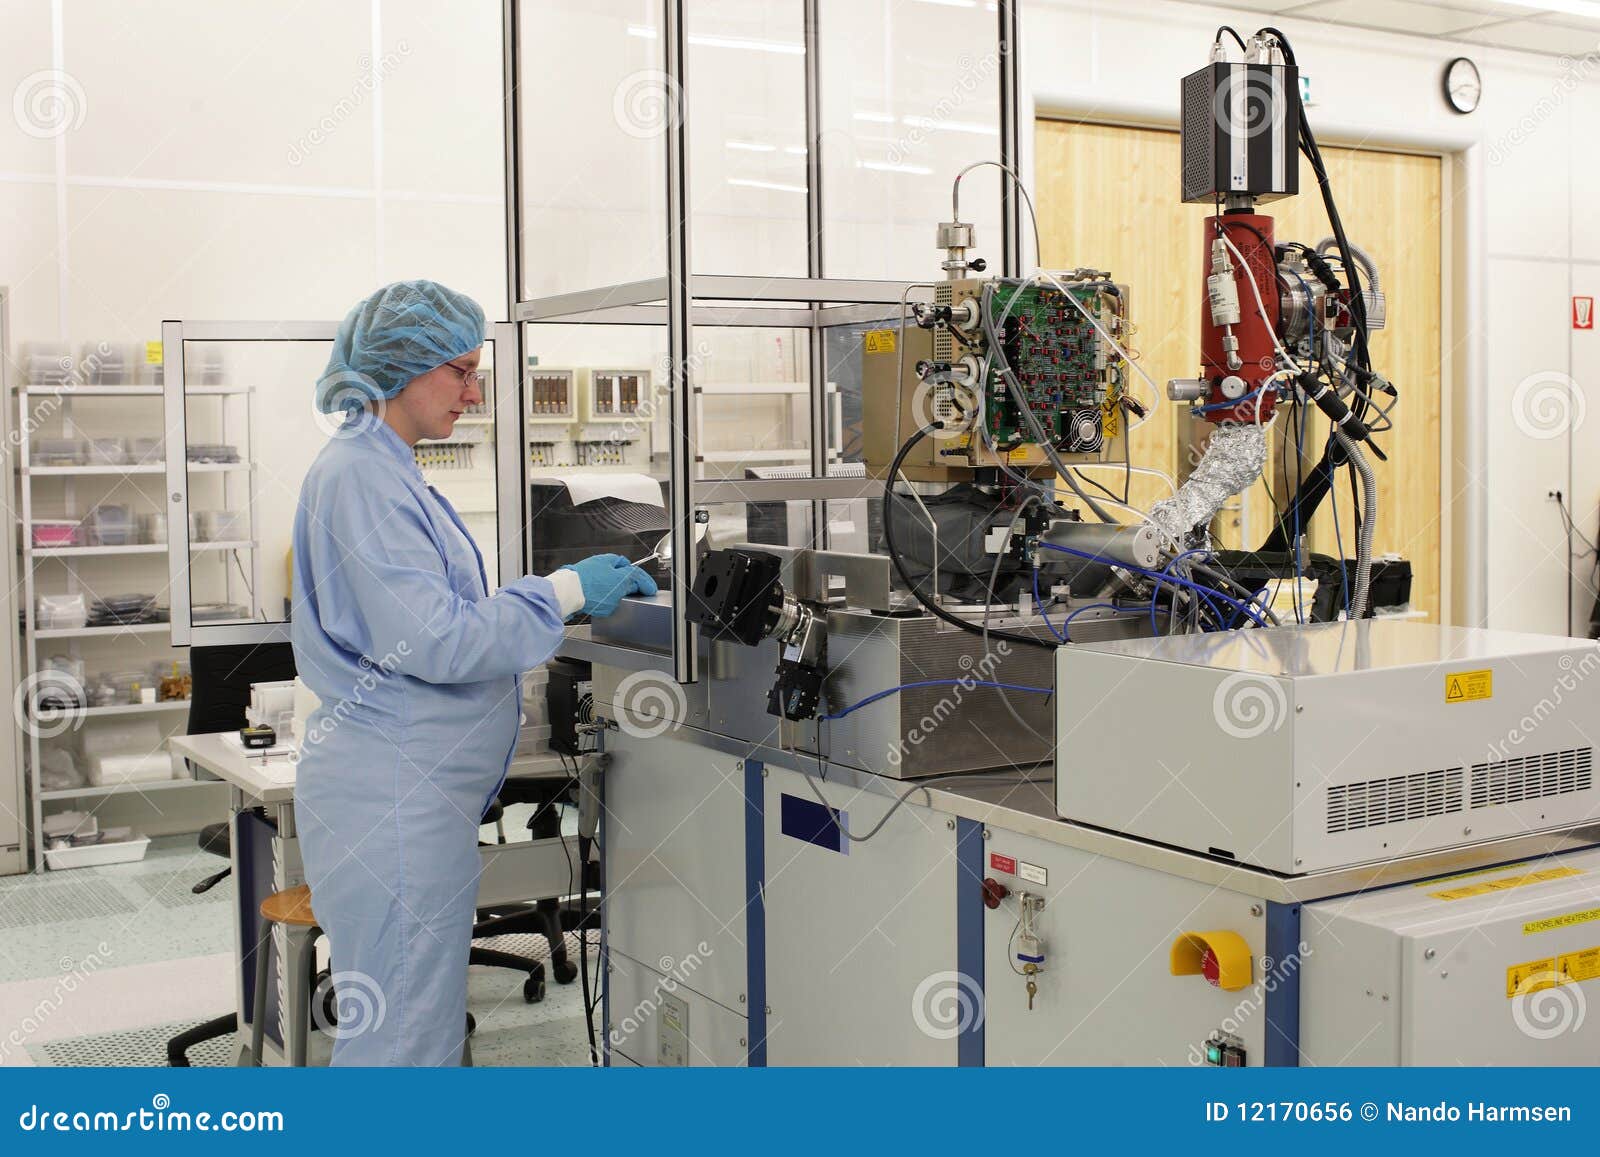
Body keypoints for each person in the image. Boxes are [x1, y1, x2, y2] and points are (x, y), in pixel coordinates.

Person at [290, 280, 655, 1066]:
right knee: (402, 1044)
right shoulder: (360, 476)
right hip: (390, 801)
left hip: (410, 798)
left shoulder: (384, 468)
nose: (475, 389)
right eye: (459, 369)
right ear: (402, 365)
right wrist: (564, 589)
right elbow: (439, 641)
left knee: (414, 1032)